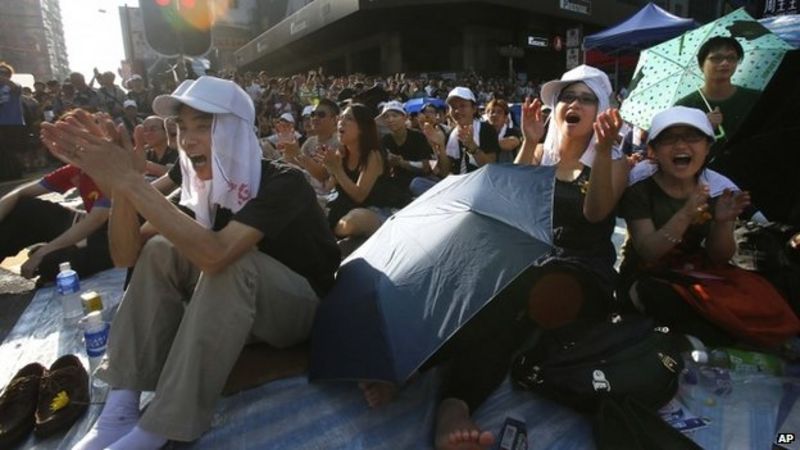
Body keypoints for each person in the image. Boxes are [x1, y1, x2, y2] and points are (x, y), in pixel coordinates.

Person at [41, 76, 340, 449]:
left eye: (203, 126)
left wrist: (131, 184)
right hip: (241, 308)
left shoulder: (284, 182)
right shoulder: (201, 188)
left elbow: (215, 255)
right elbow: (126, 255)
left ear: (235, 131)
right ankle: (120, 409)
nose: (187, 138)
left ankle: (160, 429)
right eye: (182, 127)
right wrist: (121, 186)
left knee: (231, 261)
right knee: (162, 249)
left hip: (302, 311)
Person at [430, 65, 628, 450]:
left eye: (586, 99)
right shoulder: (539, 152)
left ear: (600, 111)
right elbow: (511, 200)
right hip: (534, 260)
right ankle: (440, 392)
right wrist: (528, 141)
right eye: (567, 97)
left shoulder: (613, 160)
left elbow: (596, 213)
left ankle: (453, 401)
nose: (575, 104)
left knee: (513, 303)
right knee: (479, 283)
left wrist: (602, 152)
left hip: (584, 272)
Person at [618, 106, 752, 342]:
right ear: (653, 150)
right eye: (669, 138)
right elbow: (648, 251)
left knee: (754, 291)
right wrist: (687, 212)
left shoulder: (719, 189)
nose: (681, 146)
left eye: (692, 137)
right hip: (648, 275)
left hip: (696, 274)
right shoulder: (640, 187)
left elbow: (720, 257)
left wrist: (722, 223)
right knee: (659, 297)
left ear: (707, 147)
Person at [0, 157, 113, 282]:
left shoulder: (112, 168)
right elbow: (19, 193)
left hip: (112, 236)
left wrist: (42, 252)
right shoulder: (77, 168)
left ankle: (56, 253)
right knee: (24, 208)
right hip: (83, 223)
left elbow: (96, 220)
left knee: (51, 264)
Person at [322, 103, 410, 238]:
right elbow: (328, 187)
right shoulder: (342, 152)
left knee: (352, 221)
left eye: (349, 118)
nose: (341, 122)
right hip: (345, 208)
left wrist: (337, 170)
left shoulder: (373, 155)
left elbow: (360, 196)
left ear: (362, 128)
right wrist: (300, 158)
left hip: (377, 210)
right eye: (341, 117)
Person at [675, 36, 760, 157]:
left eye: (731, 58)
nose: (725, 63)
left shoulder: (754, 98)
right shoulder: (683, 107)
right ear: (701, 65)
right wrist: (704, 127)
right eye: (716, 58)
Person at [378, 100, 434, 193]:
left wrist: (402, 163)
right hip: (400, 182)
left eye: (394, 115)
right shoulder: (385, 140)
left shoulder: (418, 137)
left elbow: (425, 167)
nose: (390, 119)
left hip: (422, 180)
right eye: (386, 117)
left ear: (404, 117)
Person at [443, 87, 501, 175]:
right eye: (453, 107)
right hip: (458, 184)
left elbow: (491, 168)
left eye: (462, 106)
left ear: (474, 109)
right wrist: (438, 147)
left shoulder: (486, 129)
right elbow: (444, 172)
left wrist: (472, 146)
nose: (457, 111)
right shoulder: (450, 134)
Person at [0, 62, 25, 180]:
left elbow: (15, 88)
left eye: (3, 72)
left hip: (13, 121)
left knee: (14, 148)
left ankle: (17, 172)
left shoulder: (14, 85)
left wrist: (4, 79)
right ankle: (5, 173)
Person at [484, 98, 522, 163]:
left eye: (499, 112)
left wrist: (483, 145)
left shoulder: (513, 132)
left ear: (505, 117)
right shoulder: (482, 131)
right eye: (492, 112)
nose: (495, 115)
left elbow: (511, 144)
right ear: (487, 115)